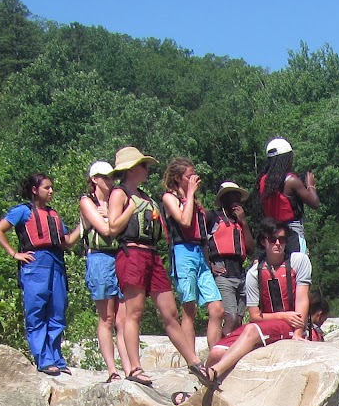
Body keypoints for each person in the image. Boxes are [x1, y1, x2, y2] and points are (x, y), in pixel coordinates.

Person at [106, 146, 204, 386]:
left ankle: (194, 362)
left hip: (151, 255)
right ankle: (135, 368)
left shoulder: (145, 196)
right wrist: (131, 208)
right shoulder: (120, 194)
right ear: (131, 169)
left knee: (169, 312)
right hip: (132, 254)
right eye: (143, 165)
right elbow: (112, 227)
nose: (147, 169)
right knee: (135, 312)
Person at [195, 219, 313, 391]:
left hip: (291, 325)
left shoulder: (299, 261)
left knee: (250, 330)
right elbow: (255, 315)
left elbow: (302, 299)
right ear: (264, 241)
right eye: (273, 239)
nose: (278, 244)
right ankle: (198, 391)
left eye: (282, 239)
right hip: (270, 322)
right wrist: (283, 315)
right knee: (215, 353)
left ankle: (214, 372)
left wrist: (298, 333)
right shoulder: (254, 273)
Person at [0, 172, 83, 374]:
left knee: (57, 311)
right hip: (35, 265)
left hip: (56, 263)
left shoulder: (53, 214)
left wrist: (84, 224)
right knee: (37, 311)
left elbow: (67, 242)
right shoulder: (22, 211)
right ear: (34, 190)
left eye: (51, 187)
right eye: (46, 188)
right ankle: (43, 359)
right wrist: (14, 253)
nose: (51, 191)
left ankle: (56, 358)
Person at [161, 157, 222, 349]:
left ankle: (215, 355)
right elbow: (185, 221)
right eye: (189, 176)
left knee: (217, 309)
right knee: (189, 309)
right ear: (179, 178)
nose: (194, 178)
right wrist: (190, 194)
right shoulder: (169, 198)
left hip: (198, 253)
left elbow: (200, 231)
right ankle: (192, 360)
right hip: (182, 252)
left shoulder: (193, 200)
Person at [78, 160, 123, 381]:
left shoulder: (118, 200)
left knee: (123, 318)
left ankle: (130, 366)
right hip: (99, 257)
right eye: (105, 177)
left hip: (120, 256)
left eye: (112, 177)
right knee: (107, 317)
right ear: (94, 179)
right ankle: (112, 369)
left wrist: (109, 214)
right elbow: (105, 228)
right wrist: (109, 216)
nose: (110, 181)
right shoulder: (87, 201)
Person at [257, 138, 320, 257]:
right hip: (292, 233)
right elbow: (315, 203)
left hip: (272, 232)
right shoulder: (291, 181)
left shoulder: (263, 181)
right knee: (297, 267)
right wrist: (310, 185)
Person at [204, 181, 250, 340]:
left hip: (240, 273)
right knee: (229, 317)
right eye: (232, 196)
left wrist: (244, 223)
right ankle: (221, 351)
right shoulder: (212, 217)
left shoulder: (239, 222)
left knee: (238, 319)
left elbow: (250, 249)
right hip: (223, 272)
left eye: (238, 196)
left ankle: (230, 347)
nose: (236, 200)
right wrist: (209, 265)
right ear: (223, 199)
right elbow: (200, 240)